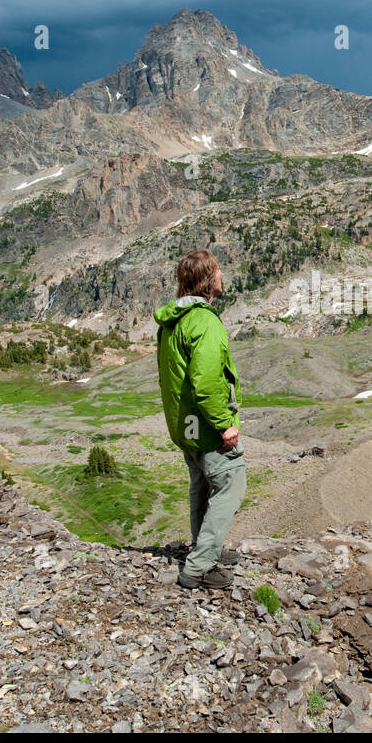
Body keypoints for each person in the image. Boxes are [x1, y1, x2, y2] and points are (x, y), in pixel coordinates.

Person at [154, 249, 245, 590]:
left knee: (201, 486)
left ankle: (207, 546)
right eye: (218, 271)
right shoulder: (204, 321)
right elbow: (206, 382)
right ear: (208, 280)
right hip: (206, 428)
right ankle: (201, 565)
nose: (223, 276)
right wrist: (224, 424)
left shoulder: (172, 321)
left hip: (185, 425)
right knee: (232, 484)